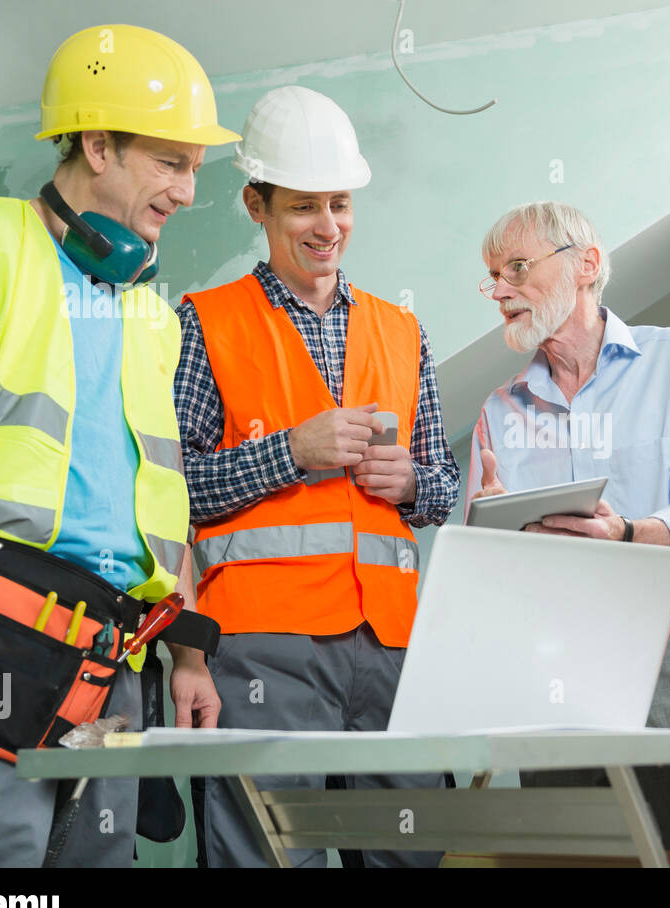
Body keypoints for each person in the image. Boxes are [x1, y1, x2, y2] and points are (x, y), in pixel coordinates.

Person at [0, 24, 231, 866]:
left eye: (196, 165)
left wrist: (186, 653)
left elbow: (157, 496)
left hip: (113, 670)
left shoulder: (151, 315)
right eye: (170, 161)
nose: (189, 190)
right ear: (96, 144)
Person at [177, 86, 460, 868]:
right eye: (303, 207)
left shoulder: (403, 330)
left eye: (339, 203)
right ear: (256, 206)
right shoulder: (205, 322)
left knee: (411, 856)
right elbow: (172, 492)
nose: (327, 227)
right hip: (263, 653)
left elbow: (442, 488)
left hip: (393, 648)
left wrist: (411, 483)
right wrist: (288, 453)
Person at [466, 201, 670, 854]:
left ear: (586, 266)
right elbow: (483, 575)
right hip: (560, 651)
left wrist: (627, 533)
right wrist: (484, 539)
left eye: (517, 267)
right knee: (577, 843)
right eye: (492, 275)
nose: (500, 290)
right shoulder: (498, 411)